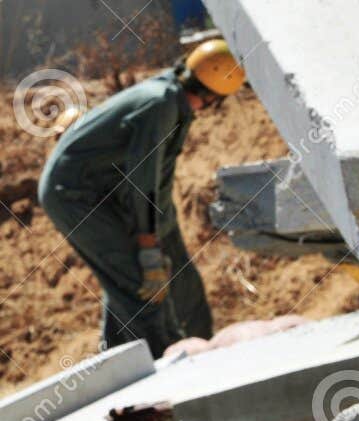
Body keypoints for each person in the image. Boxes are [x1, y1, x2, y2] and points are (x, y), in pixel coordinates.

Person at [38, 39, 247, 357]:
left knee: (170, 280)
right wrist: (148, 246)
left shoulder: (170, 98)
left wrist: (159, 235)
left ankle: (124, 360)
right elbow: (143, 179)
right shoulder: (159, 104)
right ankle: (170, 375)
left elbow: (153, 180)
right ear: (209, 97)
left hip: (104, 192)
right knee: (141, 285)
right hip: (75, 195)